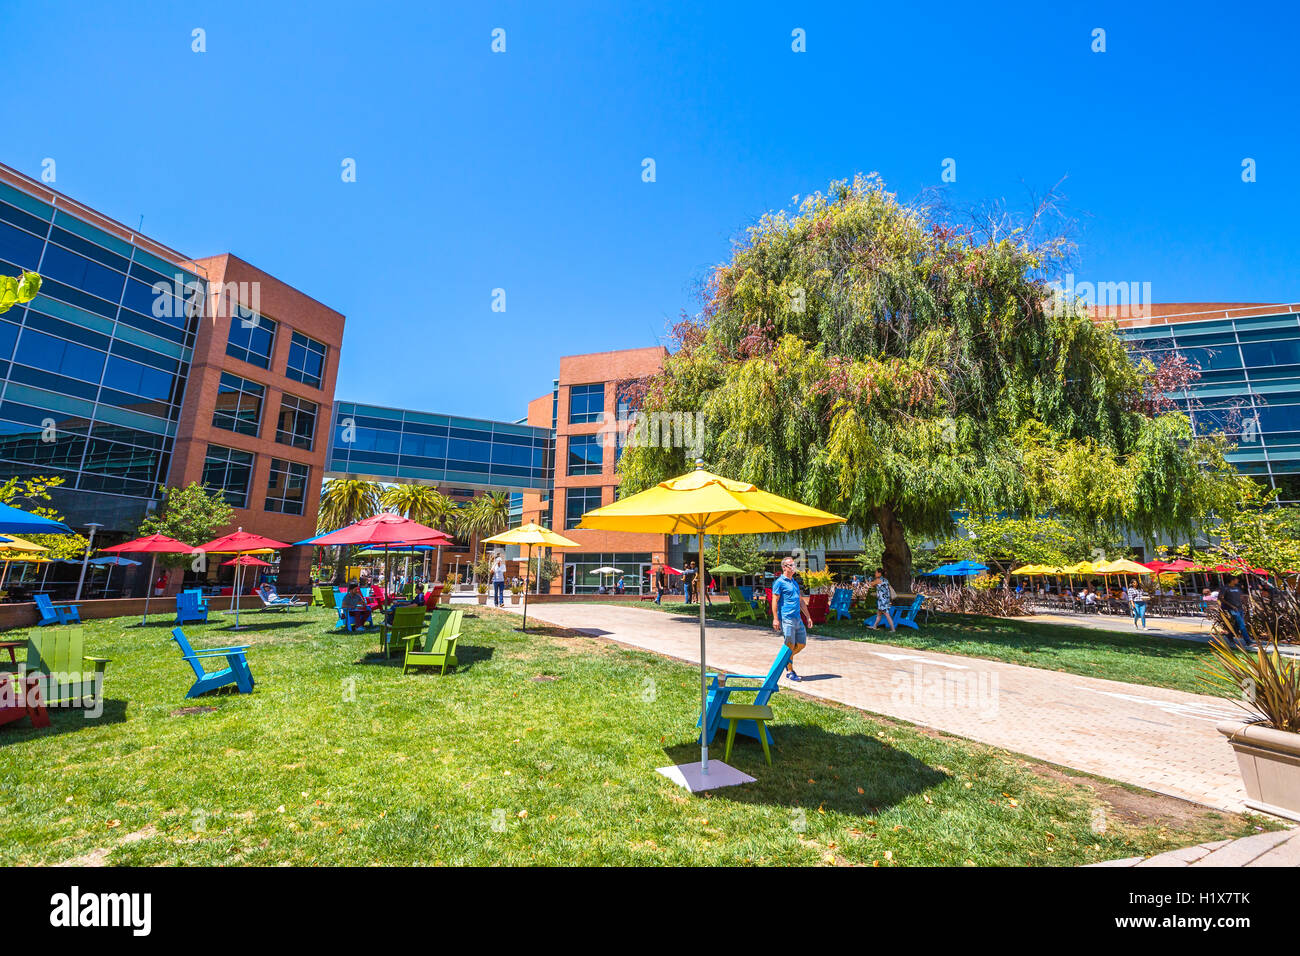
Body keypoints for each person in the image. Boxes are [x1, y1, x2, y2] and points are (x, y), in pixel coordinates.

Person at [770, 556, 813, 681]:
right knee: (789, 645)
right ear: (784, 567)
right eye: (791, 565)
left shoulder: (794, 582)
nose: (793, 567)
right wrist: (775, 618)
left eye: (794, 565)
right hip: (787, 618)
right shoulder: (779, 582)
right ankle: (790, 671)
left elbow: (801, 601)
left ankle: (784, 660)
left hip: (798, 618)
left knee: (801, 644)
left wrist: (808, 617)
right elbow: (775, 601)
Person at [1219, 575, 1250, 648]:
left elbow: (1241, 596)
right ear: (1232, 580)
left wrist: (1244, 602)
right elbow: (1221, 598)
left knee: (1238, 624)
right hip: (1232, 609)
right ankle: (1248, 641)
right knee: (1242, 624)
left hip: (1239, 608)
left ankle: (1230, 636)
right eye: (1236, 579)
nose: (1238, 580)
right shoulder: (1225, 588)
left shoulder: (1237, 587)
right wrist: (1231, 606)